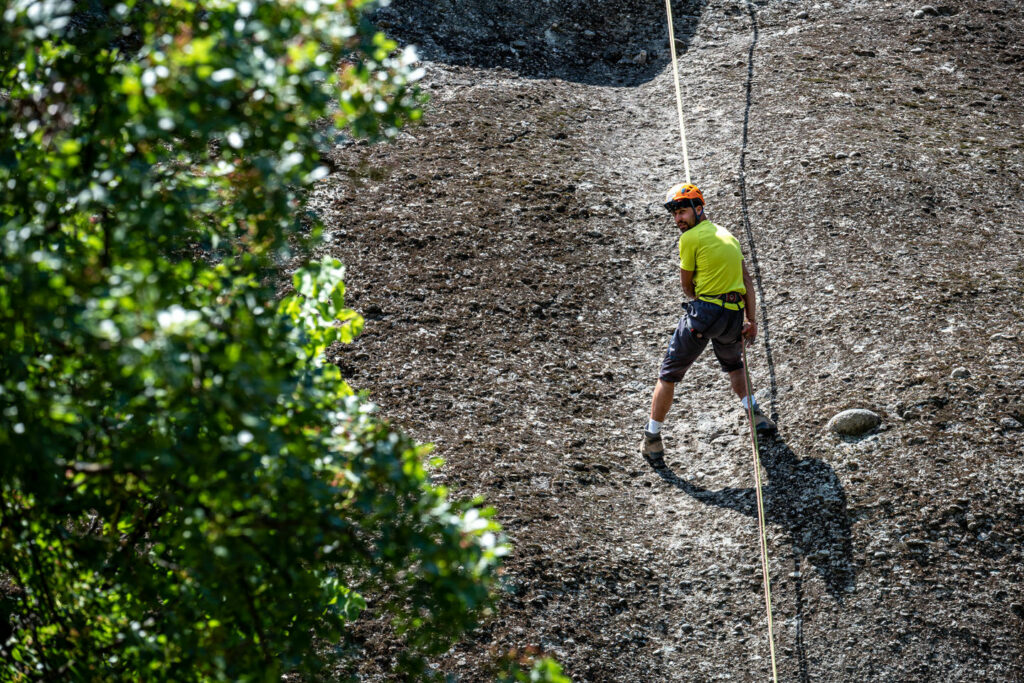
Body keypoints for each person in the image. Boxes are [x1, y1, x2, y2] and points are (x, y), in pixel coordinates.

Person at [641, 182, 776, 468]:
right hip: (733, 316)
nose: (678, 219)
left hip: (705, 313)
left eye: (682, 212)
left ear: (699, 209)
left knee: (668, 373)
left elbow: (687, 288)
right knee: (735, 364)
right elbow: (748, 283)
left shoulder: (688, 239)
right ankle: (756, 414)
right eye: (674, 214)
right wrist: (751, 321)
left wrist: (702, 300)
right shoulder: (729, 236)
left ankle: (652, 439)